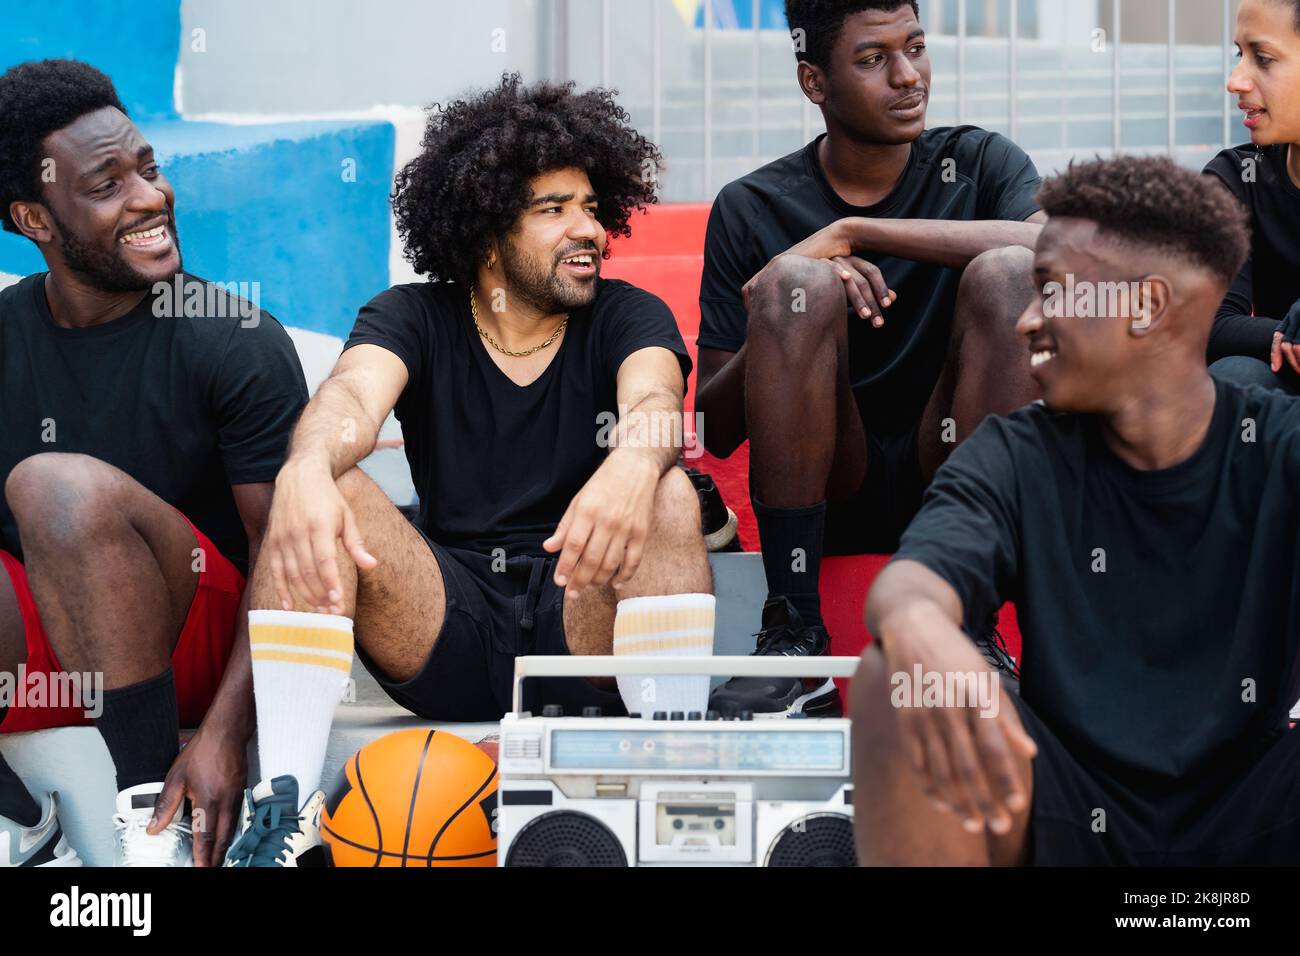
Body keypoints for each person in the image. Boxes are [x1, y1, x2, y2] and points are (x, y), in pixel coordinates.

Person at [222, 75, 714, 867]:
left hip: (577, 613)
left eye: (591, 206)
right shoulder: (410, 315)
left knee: (662, 487)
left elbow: (655, 395)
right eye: (554, 210)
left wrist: (631, 462)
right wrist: (306, 468)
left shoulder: (626, 313)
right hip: (448, 621)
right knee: (321, 481)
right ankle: (284, 808)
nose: (586, 227)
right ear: (488, 233)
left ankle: (678, 789)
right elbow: (350, 395)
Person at [853, 155, 1300, 866]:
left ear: (1148, 306)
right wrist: (916, 624)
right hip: (1066, 805)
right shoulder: (1016, 454)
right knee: (895, 679)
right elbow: (917, 577)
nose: (1027, 321)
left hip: (1256, 813)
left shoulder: (1276, 447)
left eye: (1052, 292)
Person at [697, 0, 1046, 718]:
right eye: (872, 59)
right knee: (797, 286)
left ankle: (967, 625)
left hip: (948, 464)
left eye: (915, 48)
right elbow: (713, 427)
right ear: (813, 81)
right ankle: (793, 636)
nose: (907, 75)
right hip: (831, 478)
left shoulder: (979, 163)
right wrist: (792, 279)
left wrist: (852, 231)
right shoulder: (751, 205)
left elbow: (1054, 251)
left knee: (1010, 269)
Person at [0, 59, 308, 867]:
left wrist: (223, 737)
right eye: (106, 186)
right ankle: (14, 813)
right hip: (44, 656)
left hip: (194, 637)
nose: (149, 198)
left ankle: (150, 814)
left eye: (148, 168)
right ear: (34, 218)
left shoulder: (230, 338)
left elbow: (288, 556)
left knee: (54, 485)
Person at [1205, 0, 1300, 394]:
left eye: (1262, 58)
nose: (1235, 80)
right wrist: (1288, 336)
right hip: (1282, 401)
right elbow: (1212, 322)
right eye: (1239, 55)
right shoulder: (1235, 179)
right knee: (1237, 377)